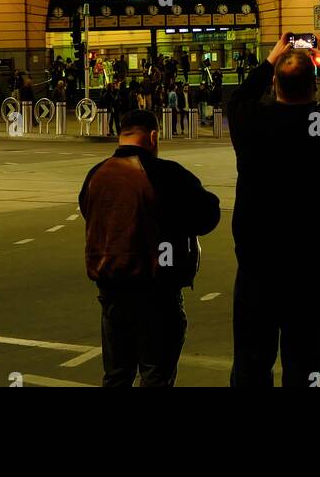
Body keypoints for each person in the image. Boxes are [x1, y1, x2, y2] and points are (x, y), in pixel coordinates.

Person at [227, 33, 320, 387]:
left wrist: (269, 61)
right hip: (316, 266)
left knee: (251, 361)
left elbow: (237, 100)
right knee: (305, 360)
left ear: (274, 84)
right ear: (315, 87)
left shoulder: (252, 122)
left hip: (259, 264)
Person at [78, 109, 220, 387]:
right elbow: (207, 216)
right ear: (153, 136)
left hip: (111, 290)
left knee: (117, 374)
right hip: (156, 291)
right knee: (156, 373)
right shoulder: (166, 173)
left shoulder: (96, 175)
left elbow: (89, 213)